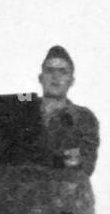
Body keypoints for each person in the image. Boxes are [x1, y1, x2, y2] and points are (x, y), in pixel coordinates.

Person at [38, 45, 99, 175]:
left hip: (66, 192)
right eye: (49, 70)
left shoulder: (83, 117)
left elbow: (85, 163)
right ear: (41, 78)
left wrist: (40, 159)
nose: (55, 77)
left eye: (63, 72)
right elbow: (14, 99)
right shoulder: (25, 106)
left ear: (71, 81)